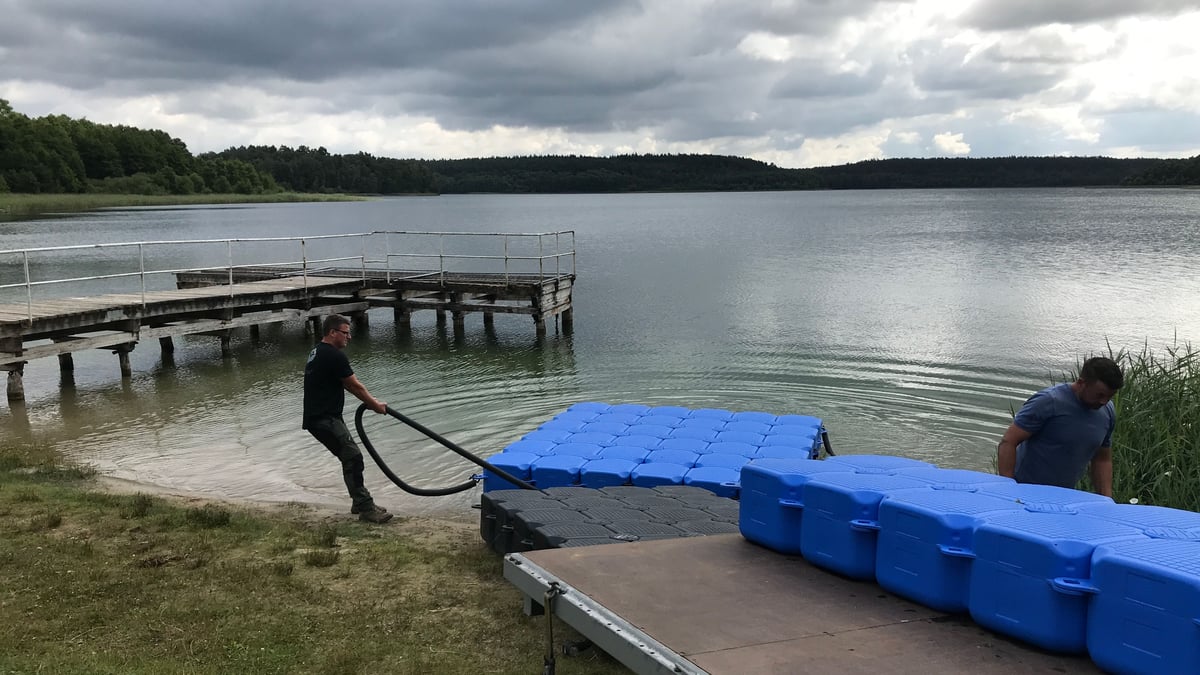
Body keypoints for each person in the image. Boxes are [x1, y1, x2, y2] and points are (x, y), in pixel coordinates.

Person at [302, 314, 393, 523]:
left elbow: (345, 384)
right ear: (332, 333)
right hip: (323, 418)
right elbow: (354, 385)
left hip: (323, 417)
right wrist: (375, 405)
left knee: (349, 456)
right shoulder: (333, 355)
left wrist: (371, 402)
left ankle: (359, 502)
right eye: (345, 332)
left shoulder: (318, 352)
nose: (349, 337)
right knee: (352, 456)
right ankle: (366, 508)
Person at [997, 356, 1124, 497]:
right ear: (1082, 383)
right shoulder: (1049, 402)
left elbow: (1102, 459)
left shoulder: (1107, 411)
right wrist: (1007, 488)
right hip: (1024, 491)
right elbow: (1008, 441)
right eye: (1099, 395)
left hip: (1064, 497)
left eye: (1109, 397)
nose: (1104, 402)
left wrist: (1106, 500)